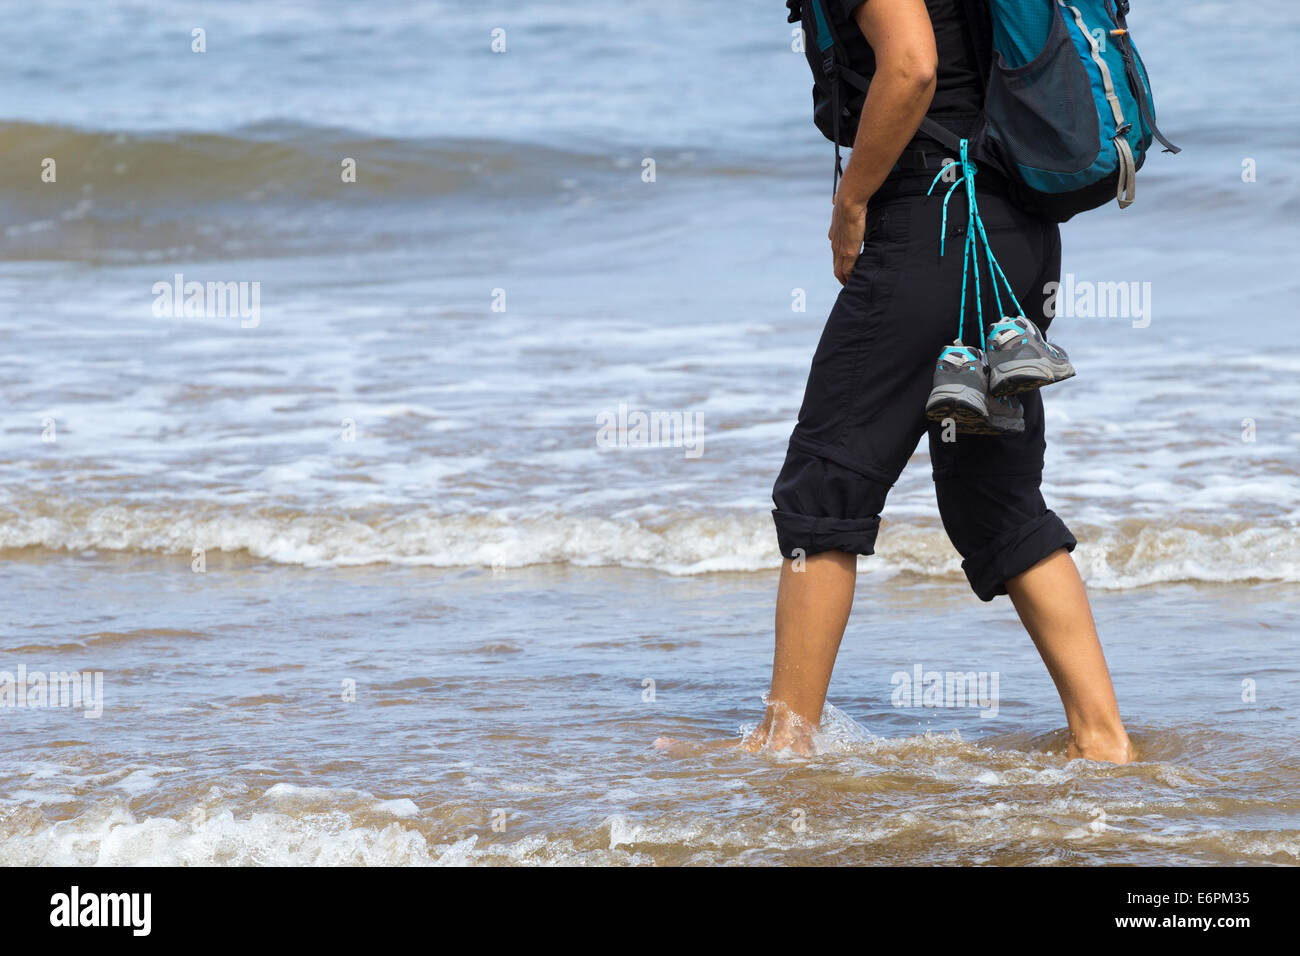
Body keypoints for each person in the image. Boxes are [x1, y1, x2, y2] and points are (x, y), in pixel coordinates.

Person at [746, 0, 1133, 762]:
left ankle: (784, 738)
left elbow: (912, 65)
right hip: (1016, 234)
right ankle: (1104, 740)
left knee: (826, 485)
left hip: (935, 223)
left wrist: (850, 201)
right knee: (997, 500)